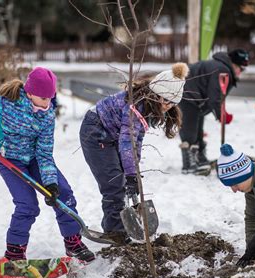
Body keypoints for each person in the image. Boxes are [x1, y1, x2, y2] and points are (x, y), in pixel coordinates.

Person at [0, 67, 95, 262]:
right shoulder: (6, 104)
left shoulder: (47, 114)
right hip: (9, 160)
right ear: (30, 92)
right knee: (28, 205)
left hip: (34, 158)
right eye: (44, 98)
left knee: (63, 193)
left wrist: (50, 183)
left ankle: (73, 242)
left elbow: (44, 152)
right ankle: (15, 252)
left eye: (51, 98)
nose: (48, 103)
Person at [80, 63, 187, 243]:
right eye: (166, 100)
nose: (168, 106)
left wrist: (133, 172)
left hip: (113, 134)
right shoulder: (136, 107)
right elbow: (127, 142)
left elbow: (136, 141)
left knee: (123, 179)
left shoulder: (148, 105)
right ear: (155, 94)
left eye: (173, 103)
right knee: (114, 183)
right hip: (95, 132)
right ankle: (115, 232)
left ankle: (122, 228)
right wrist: (130, 176)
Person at [178, 48, 250, 174]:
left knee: (197, 131)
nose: (240, 72)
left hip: (194, 98)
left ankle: (200, 159)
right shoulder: (222, 70)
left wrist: (220, 112)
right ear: (234, 64)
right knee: (189, 133)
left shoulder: (220, 66)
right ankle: (189, 164)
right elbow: (214, 97)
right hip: (186, 96)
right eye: (241, 68)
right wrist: (221, 115)